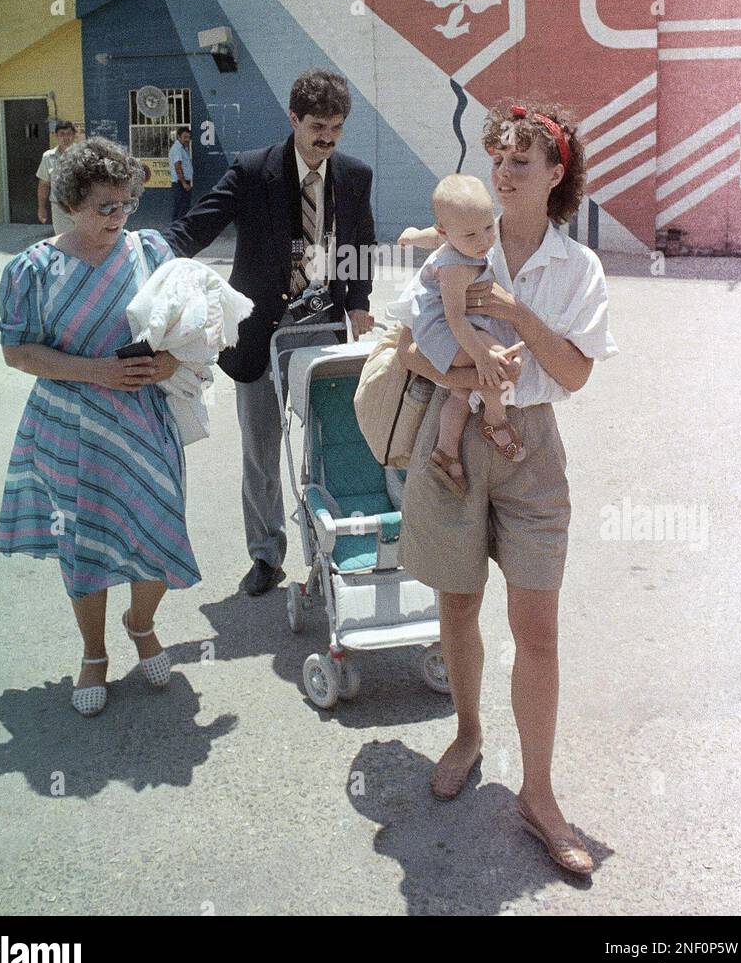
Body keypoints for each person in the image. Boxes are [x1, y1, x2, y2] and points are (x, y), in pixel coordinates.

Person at [393, 99, 618, 876]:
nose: (506, 170)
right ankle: (466, 731)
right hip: (454, 437)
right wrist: (469, 372)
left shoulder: (577, 267)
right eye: (499, 156)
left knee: (539, 629)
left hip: (532, 451)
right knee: (457, 602)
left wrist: (514, 313)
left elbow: (577, 373)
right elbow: (404, 344)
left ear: (557, 175)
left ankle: (540, 794)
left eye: (524, 159)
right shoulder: (458, 244)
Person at [0, 136, 200, 717]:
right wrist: (96, 373)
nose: (118, 217)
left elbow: (194, 330)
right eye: (103, 207)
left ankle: (141, 622)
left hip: (144, 420)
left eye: (126, 203)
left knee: (159, 527)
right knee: (82, 542)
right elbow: (18, 353)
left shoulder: (153, 251)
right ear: (70, 202)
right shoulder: (32, 269)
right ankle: (93, 653)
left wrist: (171, 362)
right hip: (69, 427)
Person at [166, 69, 376, 596]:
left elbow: (361, 243)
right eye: (317, 127)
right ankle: (265, 555)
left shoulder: (354, 175)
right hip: (259, 332)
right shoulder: (254, 170)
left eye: (337, 128)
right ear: (293, 119)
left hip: (322, 326)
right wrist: (141, 257)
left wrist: (360, 304)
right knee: (261, 449)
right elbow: (198, 225)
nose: (327, 138)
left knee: (328, 444)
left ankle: (330, 550)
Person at [410, 173, 526, 498]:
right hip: (445, 329)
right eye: (471, 234)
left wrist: (409, 236)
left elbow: (428, 236)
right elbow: (455, 316)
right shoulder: (455, 267)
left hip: (456, 324)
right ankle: (495, 421)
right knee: (499, 366)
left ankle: (446, 451)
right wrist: (481, 356)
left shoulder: (456, 240)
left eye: (489, 227)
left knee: (460, 394)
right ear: (446, 233)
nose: (483, 240)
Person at [36, 120, 77, 233]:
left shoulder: (83, 155)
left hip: (81, 207)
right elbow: (44, 184)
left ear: (74, 135)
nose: (66, 138)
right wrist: (41, 208)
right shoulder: (48, 157)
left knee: (85, 243)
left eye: (69, 134)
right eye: (62, 134)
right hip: (59, 208)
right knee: (62, 243)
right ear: (56, 136)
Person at [169, 125, 194, 220]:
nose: (187, 139)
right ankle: (176, 232)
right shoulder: (177, 148)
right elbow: (178, 166)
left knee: (182, 209)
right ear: (179, 137)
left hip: (183, 183)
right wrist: (184, 183)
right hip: (180, 184)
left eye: (188, 137)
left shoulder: (183, 148)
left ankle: (177, 231)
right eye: (185, 137)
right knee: (181, 210)